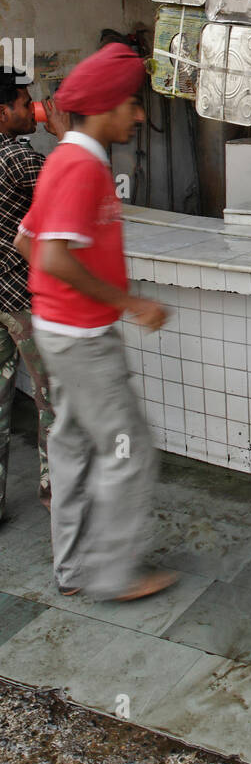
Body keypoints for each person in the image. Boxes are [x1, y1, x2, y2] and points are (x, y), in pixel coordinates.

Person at [15, 43, 177, 602]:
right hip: (82, 339)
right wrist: (129, 303)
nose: (137, 115)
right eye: (132, 104)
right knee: (130, 449)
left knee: (75, 448)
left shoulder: (69, 157)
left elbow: (25, 239)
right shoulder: (80, 163)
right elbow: (52, 255)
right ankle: (112, 574)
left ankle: (75, 568)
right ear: (107, 106)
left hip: (60, 331)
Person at [0, 68, 67, 520]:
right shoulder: (16, 159)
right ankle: (56, 497)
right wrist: (63, 133)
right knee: (52, 404)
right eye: (26, 104)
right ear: (2, 112)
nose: (32, 110)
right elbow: (75, 184)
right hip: (20, 302)